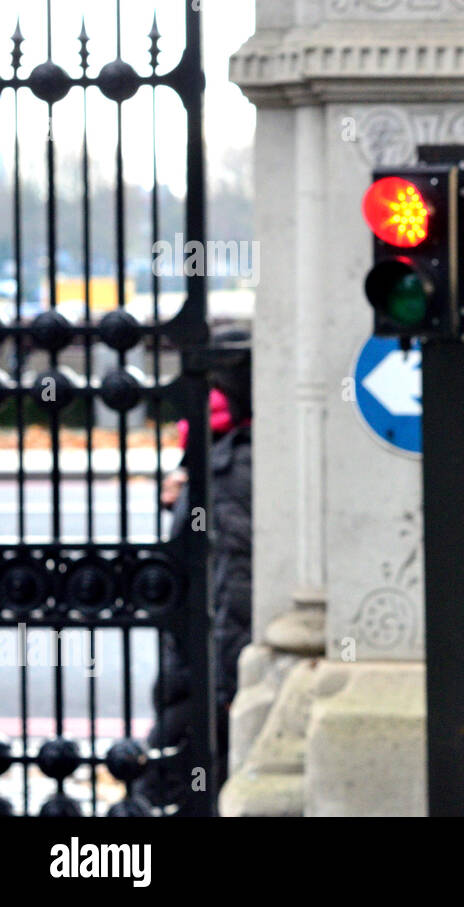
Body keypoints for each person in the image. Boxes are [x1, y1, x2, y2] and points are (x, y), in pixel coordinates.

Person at [140, 328, 252, 809]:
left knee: (183, 784)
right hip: (197, 663)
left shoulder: (233, 463)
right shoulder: (216, 455)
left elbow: (236, 582)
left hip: (208, 671)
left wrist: (224, 683)